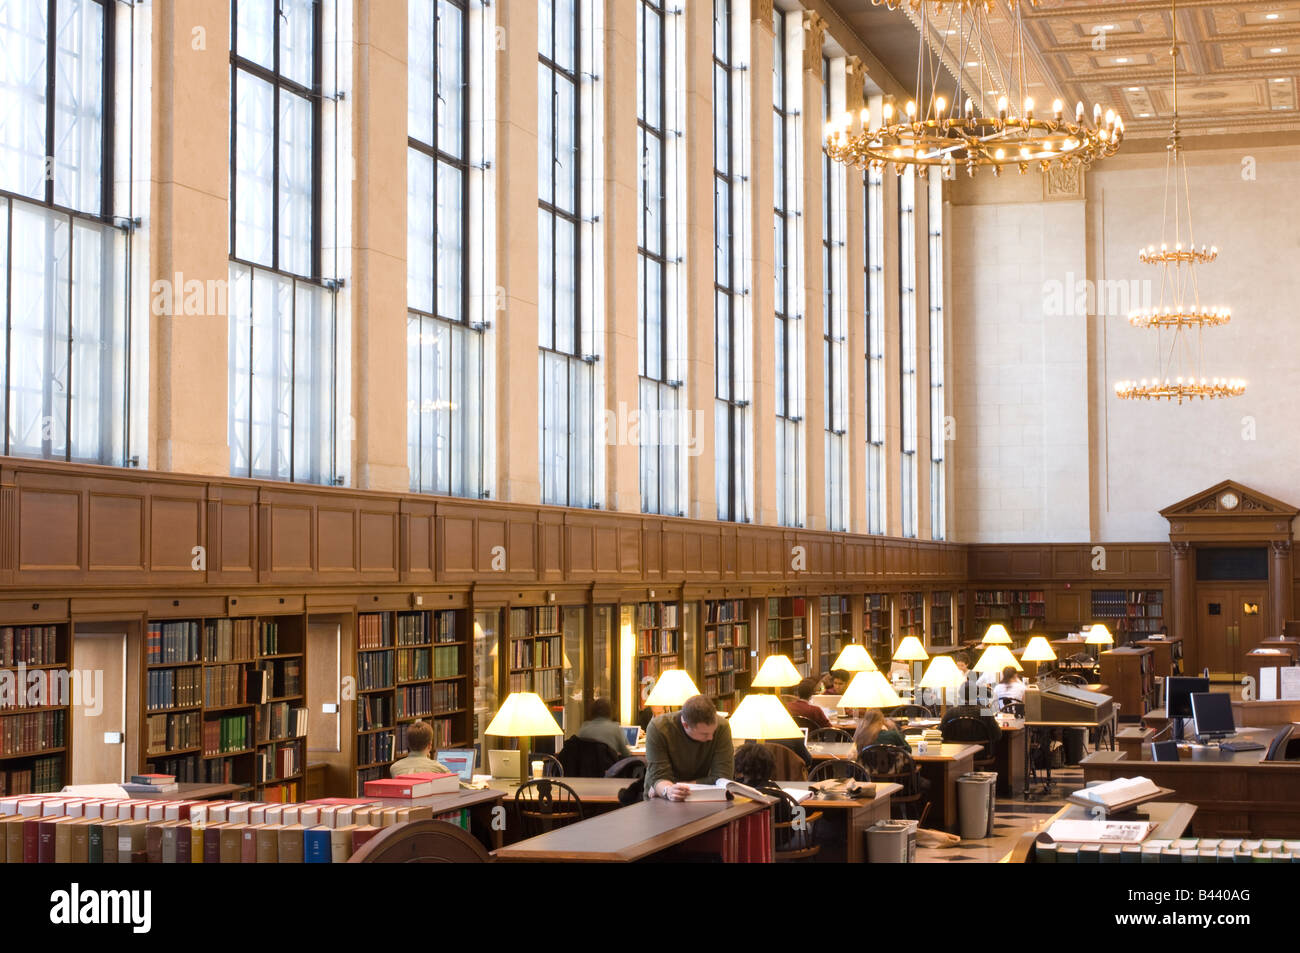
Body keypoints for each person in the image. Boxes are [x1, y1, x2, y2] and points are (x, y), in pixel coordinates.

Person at [644, 694, 735, 800]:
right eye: (704, 734)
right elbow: (660, 778)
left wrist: (674, 788)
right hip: (661, 799)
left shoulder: (722, 726)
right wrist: (666, 789)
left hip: (703, 797)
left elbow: (722, 778)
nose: (711, 737)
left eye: (713, 731)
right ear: (685, 725)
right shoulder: (658, 728)